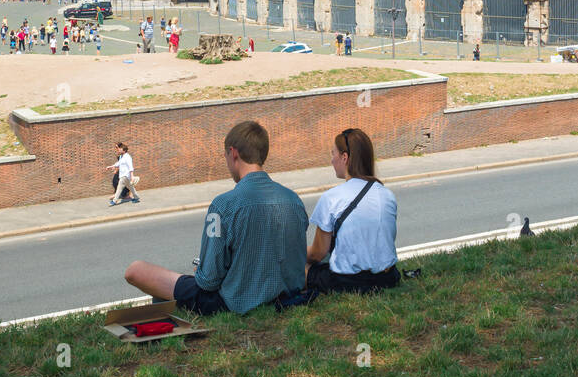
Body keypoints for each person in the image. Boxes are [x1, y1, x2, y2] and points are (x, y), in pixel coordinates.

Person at [123, 121, 309, 315]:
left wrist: (201, 272)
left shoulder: (222, 205)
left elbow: (208, 281)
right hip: (288, 297)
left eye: (225, 156)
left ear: (233, 153)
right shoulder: (294, 200)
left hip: (233, 303)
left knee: (136, 270)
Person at [305, 128, 400, 295]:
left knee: (301, 269)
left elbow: (316, 254)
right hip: (388, 278)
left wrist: (293, 252)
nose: (331, 160)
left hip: (348, 282)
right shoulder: (387, 194)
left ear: (344, 157)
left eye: (333, 153)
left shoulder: (332, 197)